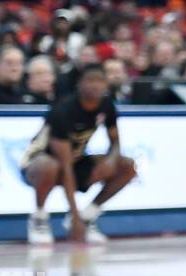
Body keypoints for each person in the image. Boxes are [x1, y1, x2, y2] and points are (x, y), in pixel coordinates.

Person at [18, 63, 137, 245]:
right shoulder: (63, 110)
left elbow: (115, 142)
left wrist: (111, 160)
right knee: (50, 166)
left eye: (100, 80)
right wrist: (73, 215)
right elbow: (65, 166)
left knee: (127, 166)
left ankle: (88, 216)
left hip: (76, 159)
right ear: (79, 84)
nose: (95, 85)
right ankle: (39, 217)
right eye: (90, 80)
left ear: (106, 84)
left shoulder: (106, 105)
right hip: (38, 163)